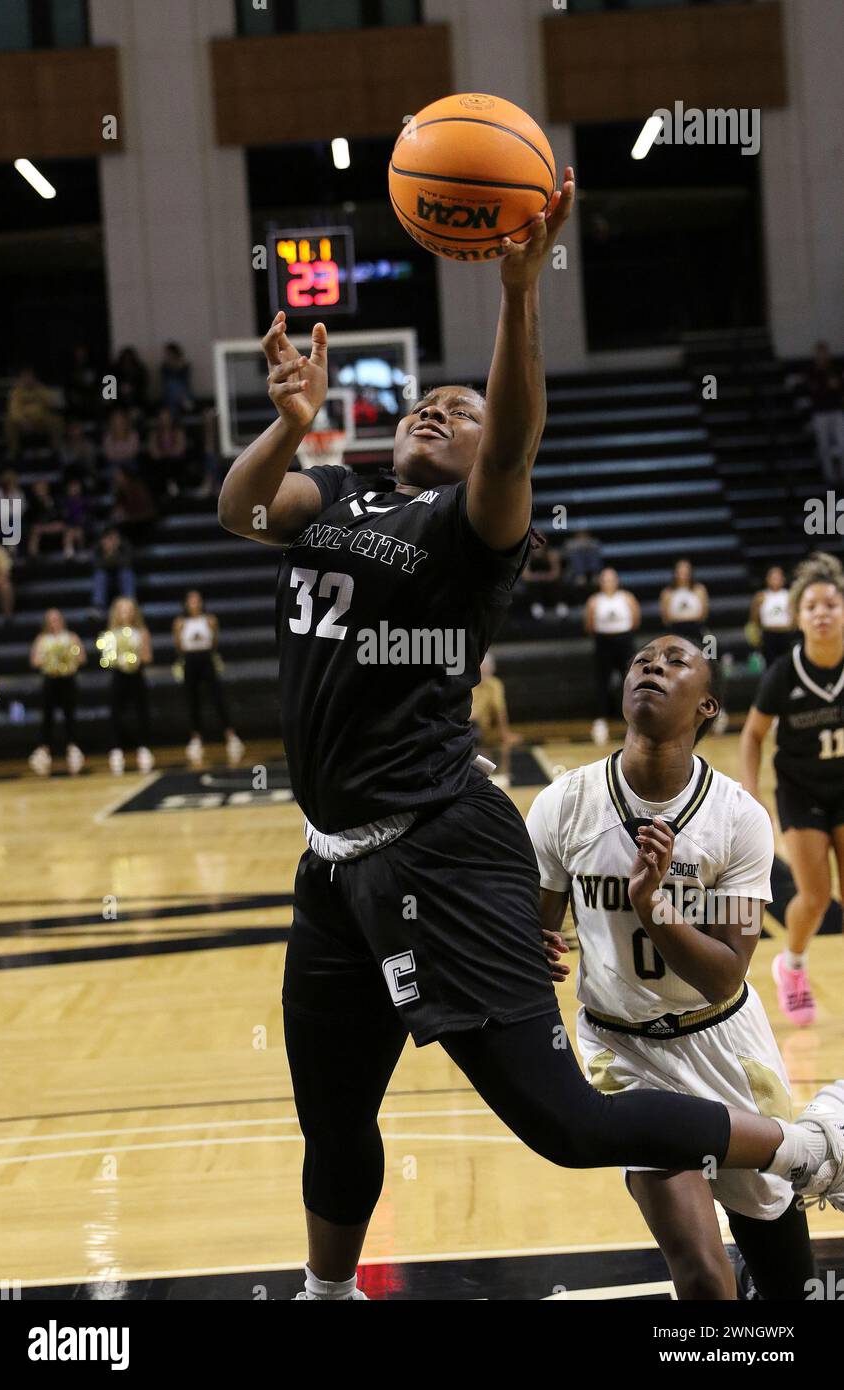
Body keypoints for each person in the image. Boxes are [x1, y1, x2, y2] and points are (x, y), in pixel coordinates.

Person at [219, 179, 844, 1301]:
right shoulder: (337, 495)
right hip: (333, 857)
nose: (433, 413)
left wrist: (517, 295)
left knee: (562, 1123)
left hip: (438, 846)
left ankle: (797, 1147)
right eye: (423, 404)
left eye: (456, 412)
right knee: (330, 1109)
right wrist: (286, 424)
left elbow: (511, 442)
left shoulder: (472, 533)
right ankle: (324, 1292)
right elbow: (240, 511)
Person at [528, 637, 815, 1300]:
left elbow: (724, 976)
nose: (652, 666)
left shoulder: (738, 818)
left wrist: (653, 906)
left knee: (786, 1276)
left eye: (676, 661)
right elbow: (534, 931)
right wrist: (525, 946)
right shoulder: (563, 805)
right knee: (702, 1276)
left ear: (707, 705)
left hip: (724, 1044)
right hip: (625, 1053)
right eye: (642, 660)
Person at [741, 551, 844, 1027]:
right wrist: (751, 792)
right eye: (812, 606)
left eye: (831, 603)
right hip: (800, 791)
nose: (822, 612)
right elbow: (752, 735)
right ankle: (793, 965)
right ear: (798, 617)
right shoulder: (785, 672)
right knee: (817, 896)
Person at [172, 590, 244, 766]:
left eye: (197, 600)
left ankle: (230, 735)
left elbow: (214, 643)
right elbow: (179, 646)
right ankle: (196, 737)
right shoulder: (180, 622)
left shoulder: (210, 619)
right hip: (190, 660)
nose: (194, 603)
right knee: (192, 700)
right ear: (186, 603)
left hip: (206, 659)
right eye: (191, 600)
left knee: (217, 697)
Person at [585, 567, 641, 746]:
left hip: (624, 641)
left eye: (611, 579)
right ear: (600, 582)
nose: (608, 582)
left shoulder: (627, 597)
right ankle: (601, 719)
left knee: (631, 680)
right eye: (604, 579)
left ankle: (635, 719)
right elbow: (589, 625)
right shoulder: (594, 600)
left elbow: (635, 620)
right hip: (603, 642)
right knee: (602, 681)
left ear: (617, 581)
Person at [28, 608, 86, 776]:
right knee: (47, 716)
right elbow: (35, 661)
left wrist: (68, 656)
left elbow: (81, 658)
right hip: (50, 680)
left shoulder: (71, 637)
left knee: (70, 714)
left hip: (68, 679)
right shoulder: (42, 639)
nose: (54, 622)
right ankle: (44, 749)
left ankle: (73, 747)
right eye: (51, 619)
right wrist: (50, 658)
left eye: (56, 619)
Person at [101, 597, 154, 774]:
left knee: (142, 711)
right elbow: (106, 659)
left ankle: (144, 747)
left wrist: (135, 658)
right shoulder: (110, 633)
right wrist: (119, 660)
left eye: (129, 609)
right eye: (122, 609)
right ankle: (116, 750)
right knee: (115, 712)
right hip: (118, 675)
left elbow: (147, 656)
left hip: (137, 674)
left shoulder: (142, 632)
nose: (125, 613)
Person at [470, 652, 521, 784]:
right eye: (482, 670)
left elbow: (500, 711)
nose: (485, 674)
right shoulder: (466, 682)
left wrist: (505, 734)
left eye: (487, 670)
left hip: (479, 730)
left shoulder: (495, 684)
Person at [4, 367, 63, 459]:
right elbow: (13, 409)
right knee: (9, 422)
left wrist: (40, 389)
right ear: (21, 378)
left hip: (41, 420)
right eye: (25, 377)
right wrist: (22, 421)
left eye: (30, 377)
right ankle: (14, 451)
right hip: (24, 422)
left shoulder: (41, 388)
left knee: (56, 420)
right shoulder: (16, 391)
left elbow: (53, 403)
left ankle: (55, 450)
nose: (28, 379)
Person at [806, 341, 844, 484]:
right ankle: (830, 476)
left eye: (824, 353)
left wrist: (831, 386)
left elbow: (838, 387)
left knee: (842, 443)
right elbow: (813, 391)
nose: (822, 356)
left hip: (835, 410)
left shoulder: (835, 368)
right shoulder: (811, 371)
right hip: (820, 412)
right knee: (824, 446)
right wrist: (828, 386)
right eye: (819, 354)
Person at [750, 565, 796, 668]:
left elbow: (794, 616)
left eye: (778, 577)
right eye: (773, 578)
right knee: (770, 664)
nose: (775, 581)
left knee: (786, 664)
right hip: (768, 634)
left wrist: (791, 628)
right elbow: (754, 617)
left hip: (785, 634)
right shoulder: (761, 596)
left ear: (783, 579)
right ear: (767, 579)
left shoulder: (789, 596)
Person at [659, 558, 708, 645]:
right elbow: (665, 618)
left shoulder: (699, 589)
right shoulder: (667, 592)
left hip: (695, 628)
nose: (683, 574)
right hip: (675, 629)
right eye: (680, 571)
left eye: (686, 571)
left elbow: (703, 614)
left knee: (710, 641)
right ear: (675, 573)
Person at [91, 527, 136, 615]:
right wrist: (108, 553)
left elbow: (128, 563)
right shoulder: (98, 548)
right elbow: (96, 565)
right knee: (100, 575)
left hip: (121, 577)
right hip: (106, 579)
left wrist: (114, 553)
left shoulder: (125, 545)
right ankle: (98, 607)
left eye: (113, 538)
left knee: (126, 573)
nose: (111, 542)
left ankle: (130, 605)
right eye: (108, 538)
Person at [519, 535, 565, 620]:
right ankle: (536, 606)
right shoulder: (526, 555)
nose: (537, 543)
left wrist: (544, 576)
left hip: (549, 581)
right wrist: (537, 576)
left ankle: (559, 605)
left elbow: (556, 573)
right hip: (534, 582)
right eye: (534, 540)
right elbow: (526, 576)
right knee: (533, 585)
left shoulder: (551, 554)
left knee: (557, 583)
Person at [147, 407, 188, 498]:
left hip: (176, 462)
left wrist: (166, 453)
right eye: (162, 418)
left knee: (172, 464)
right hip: (160, 464)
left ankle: (175, 488)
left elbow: (180, 449)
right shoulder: (154, 434)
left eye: (167, 418)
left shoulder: (178, 432)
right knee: (161, 465)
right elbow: (153, 452)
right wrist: (166, 453)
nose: (165, 421)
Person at [110, 347, 149, 418]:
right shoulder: (115, 370)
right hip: (118, 401)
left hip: (136, 402)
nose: (127, 360)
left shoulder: (140, 370)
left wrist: (132, 389)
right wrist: (119, 388)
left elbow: (143, 387)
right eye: (125, 358)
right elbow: (109, 390)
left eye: (129, 358)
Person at [563, 527, 602, 597]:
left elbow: (597, 545)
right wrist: (583, 545)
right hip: (574, 573)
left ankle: (594, 575)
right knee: (576, 555)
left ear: (588, 535)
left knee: (592, 554)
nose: (582, 538)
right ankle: (580, 575)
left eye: (584, 535)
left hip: (591, 572)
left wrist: (582, 545)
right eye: (580, 535)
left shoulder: (593, 545)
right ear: (576, 536)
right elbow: (566, 549)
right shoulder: (570, 544)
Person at [160, 342, 194, 416]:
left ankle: (182, 400)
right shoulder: (164, 367)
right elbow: (165, 382)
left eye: (169, 353)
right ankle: (183, 401)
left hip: (183, 391)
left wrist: (179, 366)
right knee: (172, 384)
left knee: (175, 385)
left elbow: (185, 381)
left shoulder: (184, 365)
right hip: (170, 396)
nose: (167, 355)